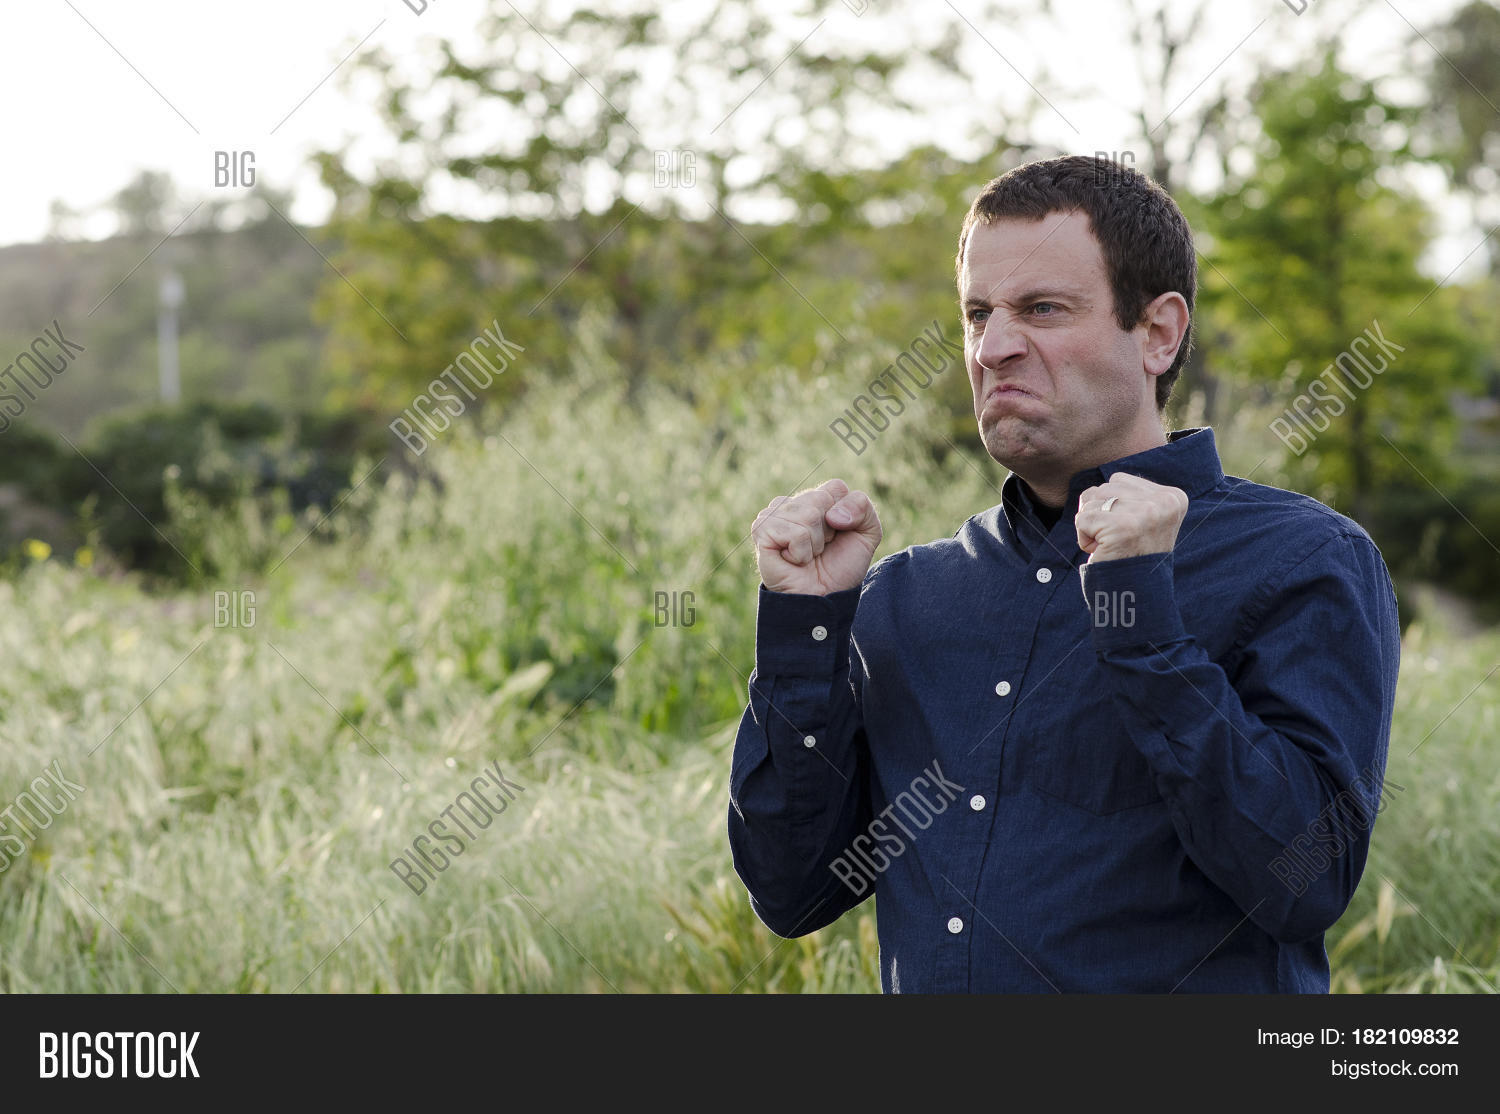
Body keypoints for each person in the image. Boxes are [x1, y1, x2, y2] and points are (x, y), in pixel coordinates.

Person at [727, 154, 1401, 992]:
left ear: (1158, 332)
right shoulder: (905, 595)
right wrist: (805, 630)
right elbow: (793, 893)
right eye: (978, 315)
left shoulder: (1303, 561)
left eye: (1042, 309)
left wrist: (1140, 620)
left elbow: (1303, 881)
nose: (994, 347)